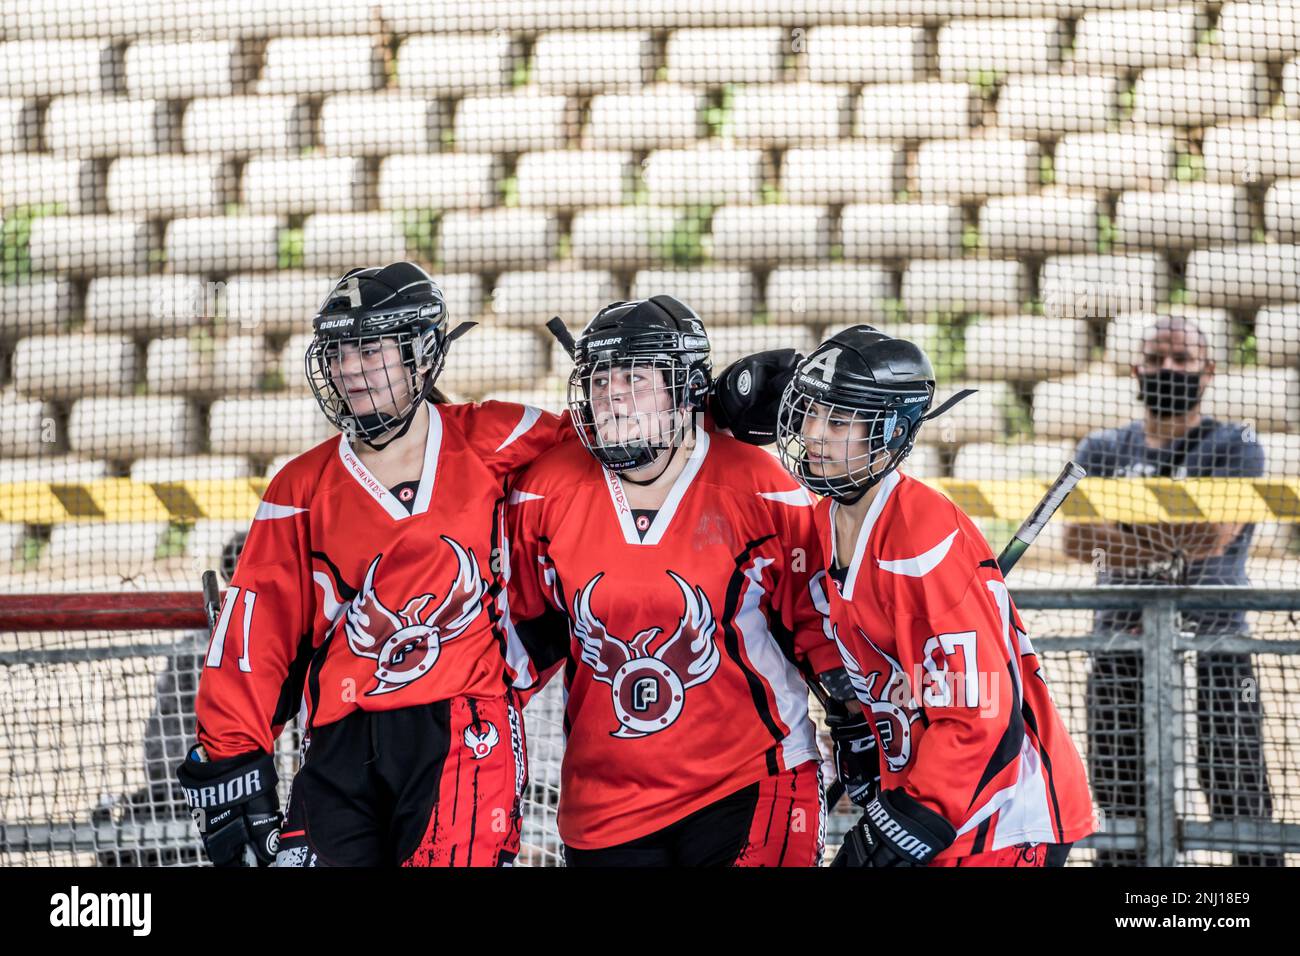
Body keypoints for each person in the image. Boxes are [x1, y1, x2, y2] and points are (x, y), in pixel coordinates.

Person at [175, 262, 574, 867]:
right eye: (337, 351)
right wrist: (232, 765)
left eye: (369, 349)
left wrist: (716, 405)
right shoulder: (300, 486)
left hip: (464, 729)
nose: (349, 369)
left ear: (420, 352)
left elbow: (614, 440)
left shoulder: (495, 436)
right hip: (339, 742)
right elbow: (258, 631)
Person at [723, 325, 1096, 866]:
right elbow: (832, 638)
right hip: (927, 783)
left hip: (999, 817)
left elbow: (982, 717)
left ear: (891, 432)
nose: (815, 434)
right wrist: (853, 719)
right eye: (812, 412)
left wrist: (908, 823)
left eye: (840, 420)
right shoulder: (828, 519)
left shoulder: (922, 539)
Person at [506, 296, 843, 866]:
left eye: (635, 377)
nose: (613, 393)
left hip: (749, 781)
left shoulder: (763, 489)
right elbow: (519, 639)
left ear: (683, 388)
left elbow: (819, 627)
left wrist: (859, 723)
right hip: (607, 802)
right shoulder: (545, 491)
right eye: (601, 377)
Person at [1063, 315, 1278, 866]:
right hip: (1119, 644)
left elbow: (1213, 536)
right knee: (1120, 798)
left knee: (1237, 790)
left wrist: (1123, 531)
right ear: (1136, 369)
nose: (1167, 368)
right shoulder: (1102, 448)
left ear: (1208, 371)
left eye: (1181, 359)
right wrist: (1172, 537)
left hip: (1215, 642)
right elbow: (1076, 539)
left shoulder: (1236, 444)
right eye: (1157, 357)